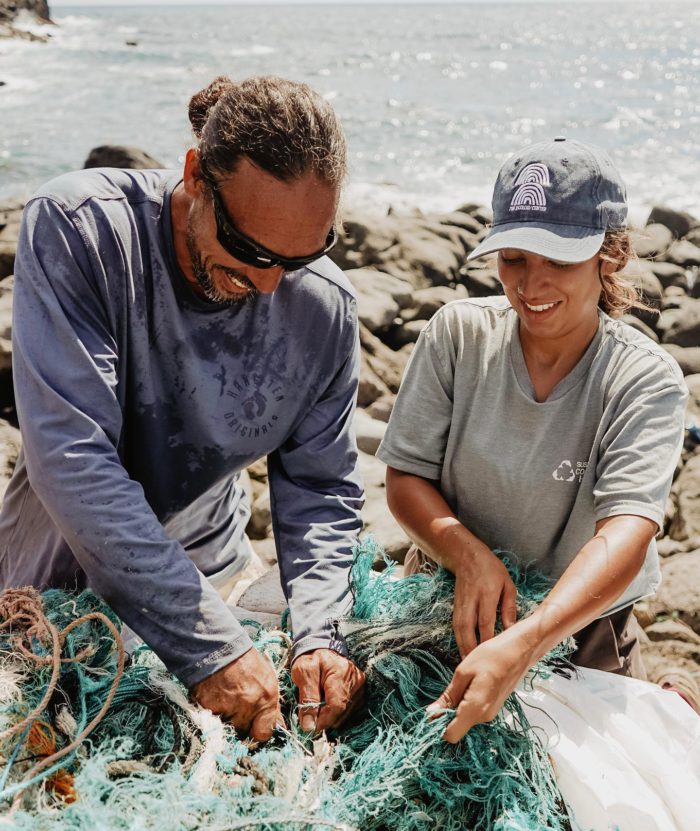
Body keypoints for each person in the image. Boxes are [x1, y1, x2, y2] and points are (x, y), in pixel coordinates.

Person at [0, 75, 366, 741]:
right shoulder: (80, 230)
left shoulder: (326, 309)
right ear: (196, 175)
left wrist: (320, 630)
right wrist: (210, 647)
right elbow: (74, 456)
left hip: (216, 575)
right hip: (53, 590)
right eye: (249, 250)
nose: (269, 285)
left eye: (303, 255)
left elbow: (319, 488)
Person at [376, 137, 692, 743]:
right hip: (442, 596)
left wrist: (529, 638)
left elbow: (626, 533)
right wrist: (468, 557)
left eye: (560, 261)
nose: (531, 284)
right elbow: (406, 476)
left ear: (611, 254)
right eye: (514, 258)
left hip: (582, 629)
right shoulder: (458, 335)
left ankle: (676, 695)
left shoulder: (643, 378)